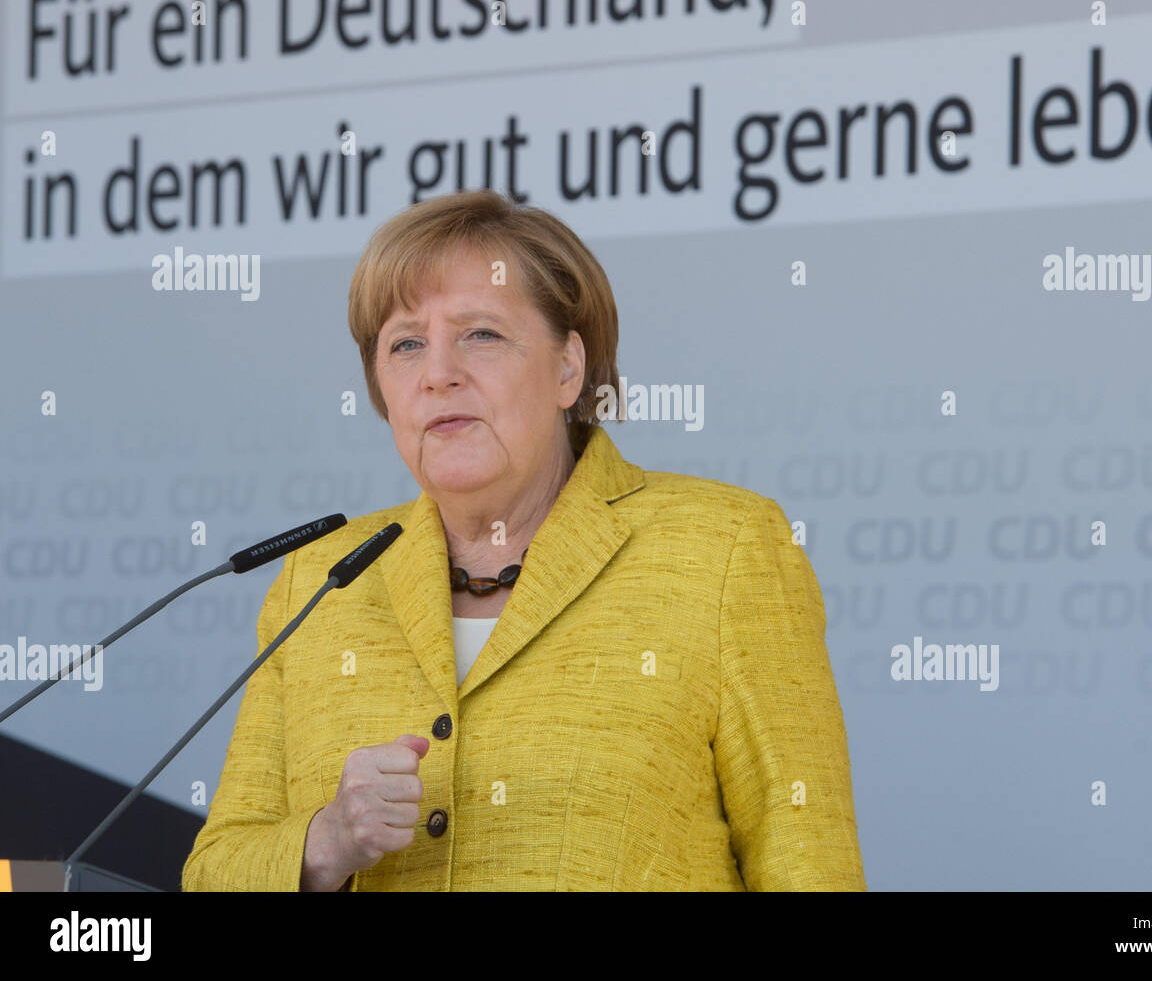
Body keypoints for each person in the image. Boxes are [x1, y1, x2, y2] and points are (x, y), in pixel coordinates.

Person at [181, 189, 866, 891]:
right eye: (406, 343)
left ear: (569, 368)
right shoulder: (320, 581)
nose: (438, 373)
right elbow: (214, 872)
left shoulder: (721, 549)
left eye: (481, 334)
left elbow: (811, 864)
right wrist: (324, 842)